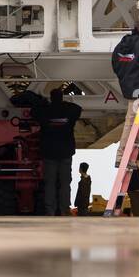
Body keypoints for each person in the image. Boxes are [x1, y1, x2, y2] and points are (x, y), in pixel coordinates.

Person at [13, 85, 82, 215]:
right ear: (62, 97)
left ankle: (50, 210)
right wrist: (64, 104)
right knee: (65, 183)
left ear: (50, 98)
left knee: (49, 183)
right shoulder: (69, 110)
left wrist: (44, 103)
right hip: (65, 152)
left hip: (49, 153)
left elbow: (34, 112)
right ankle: (64, 210)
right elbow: (79, 109)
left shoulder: (45, 110)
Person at [111, 18, 139, 162]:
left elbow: (115, 63)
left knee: (132, 122)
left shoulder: (121, 45)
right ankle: (123, 157)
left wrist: (124, 78)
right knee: (132, 123)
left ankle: (124, 155)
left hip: (128, 89)